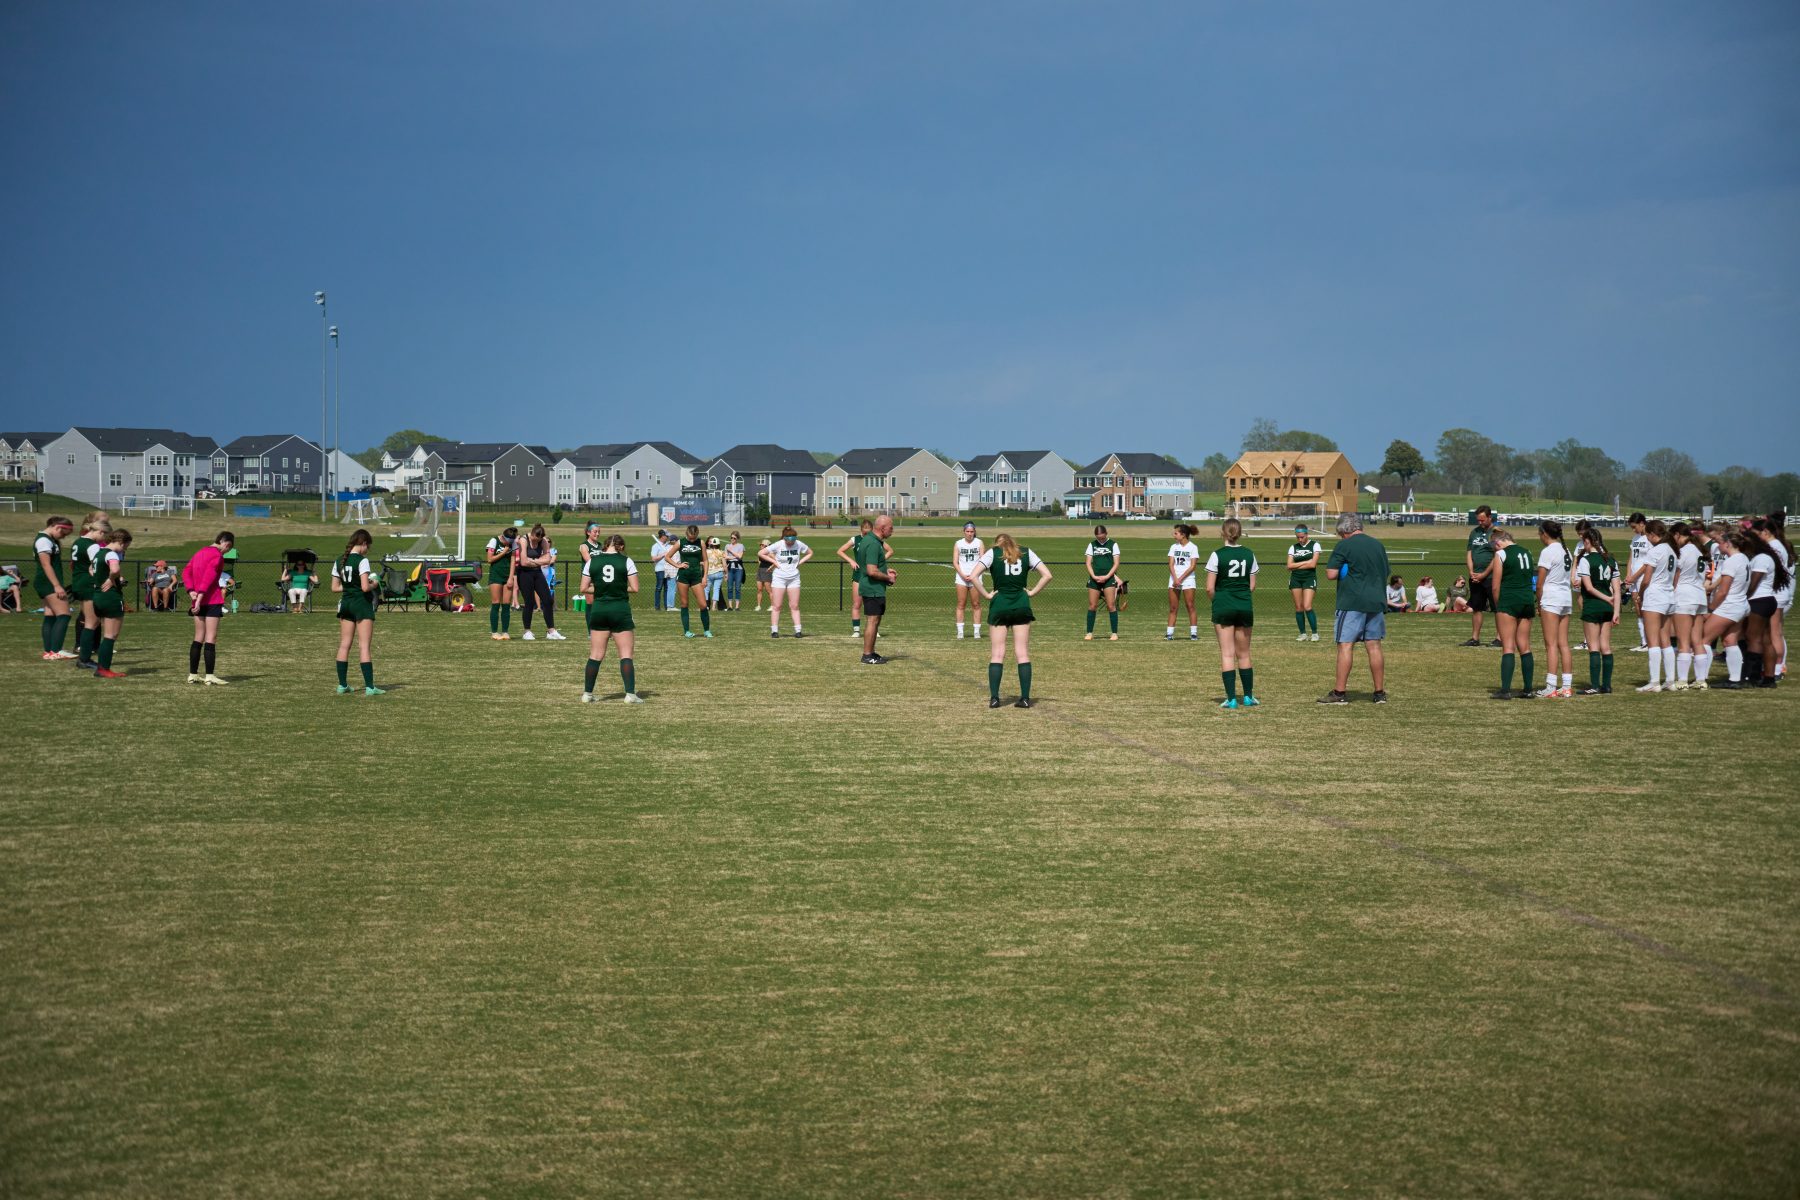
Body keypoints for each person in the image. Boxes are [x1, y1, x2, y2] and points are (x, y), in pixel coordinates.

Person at [1319, 513, 1390, 704]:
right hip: (1376, 601)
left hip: (1352, 602)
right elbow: (1386, 572)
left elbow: (1331, 574)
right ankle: (1379, 693)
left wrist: (1344, 570)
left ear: (1344, 530)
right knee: (1374, 646)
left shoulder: (1344, 545)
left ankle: (1339, 693)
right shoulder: (1378, 545)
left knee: (1345, 645)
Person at [976, 533, 1050, 708]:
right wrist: (1031, 592)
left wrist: (987, 594)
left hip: (999, 605)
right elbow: (1047, 575)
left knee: (997, 654)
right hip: (1021, 605)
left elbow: (972, 576)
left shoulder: (992, 553)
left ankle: (994, 698)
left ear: (997, 544)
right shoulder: (1026, 552)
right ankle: (1025, 698)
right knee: (1022, 653)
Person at [579, 533, 643, 703]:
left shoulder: (592, 561)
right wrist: (619, 589)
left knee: (595, 654)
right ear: (621, 546)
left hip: (599, 609)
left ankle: (587, 694)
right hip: (619, 609)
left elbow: (583, 588)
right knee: (626, 654)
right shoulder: (626, 561)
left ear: (605, 545)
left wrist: (600, 589)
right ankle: (630, 694)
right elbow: (635, 588)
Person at [1207, 518, 1259, 708]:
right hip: (1244, 606)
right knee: (1244, 654)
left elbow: (1209, 588)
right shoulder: (1249, 554)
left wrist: (1219, 600)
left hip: (1223, 606)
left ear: (1223, 533)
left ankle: (1230, 699)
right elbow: (1252, 586)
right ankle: (1248, 696)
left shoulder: (1216, 555)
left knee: (1227, 654)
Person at [329, 528, 384, 695]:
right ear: (364, 544)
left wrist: (350, 587)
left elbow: (335, 587)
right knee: (364, 646)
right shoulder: (362, 560)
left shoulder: (339, 560)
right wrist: (375, 582)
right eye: (368, 546)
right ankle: (369, 687)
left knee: (344, 645)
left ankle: (342, 685)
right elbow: (365, 587)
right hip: (361, 605)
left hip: (346, 604)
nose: (368, 550)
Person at [1487, 528, 1538, 700]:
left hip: (1509, 600)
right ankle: (1528, 689)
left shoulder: (1501, 554)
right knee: (1525, 645)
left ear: (1498, 542)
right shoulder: (1527, 552)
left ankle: (1505, 690)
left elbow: (1495, 586)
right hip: (1527, 600)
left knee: (1508, 646)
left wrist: (1498, 604)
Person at [1626, 519, 1676, 692]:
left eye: (1647, 535)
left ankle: (1654, 682)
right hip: (1669, 596)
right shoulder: (1672, 550)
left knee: (1653, 640)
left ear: (1653, 535)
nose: (1646, 538)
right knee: (1666, 641)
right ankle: (1670, 680)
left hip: (1655, 596)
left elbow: (1646, 579)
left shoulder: (1656, 551)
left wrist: (1640, 594)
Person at [182, 531, 234, 684]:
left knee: (198, 636)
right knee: (210, 637)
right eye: (228, 548)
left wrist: (191, 591)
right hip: (210, 599)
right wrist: (200, 596)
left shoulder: (198, 553)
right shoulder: (218, 556)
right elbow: (209, 577)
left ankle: (193, 674)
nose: (227, 551)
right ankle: (210, 676)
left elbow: (186, 571)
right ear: (226, 543)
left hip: (197, 599)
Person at [1574, 526, 1621, 694]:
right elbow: (1617, 590)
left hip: (1593, 605)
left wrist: (1606, 598)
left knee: (1593, 647)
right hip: (1607, 609)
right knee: (1606, 647)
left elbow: (1588, 587)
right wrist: (1616, 611)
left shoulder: (1586, 560)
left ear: (1588, 541)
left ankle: (1594, 686)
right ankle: (1606, 685)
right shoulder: (1611, 560)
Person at [1703, 532, 1752, 689]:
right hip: (1741, 605)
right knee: (1729, 641)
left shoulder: (1731, 562)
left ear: (1728, 544)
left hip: (1730, 606)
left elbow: (1723, 591)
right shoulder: (1744, 559)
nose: (1719, 546)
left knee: (1703, 639)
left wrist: (1711, 609)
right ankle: (1735, 680)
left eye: (1721, 543)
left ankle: (1701, 678)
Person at [1742, 527, 1788, 688]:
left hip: (1759, 600)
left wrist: (1743, 597)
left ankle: (1751, 676)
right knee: (1766, 640)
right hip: (1767, 599)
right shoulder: (1765, 557)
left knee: (1752, 637)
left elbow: (1753, 584)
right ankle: (1769, 677)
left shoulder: (1761, 559)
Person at [1534, 520, 1575, 698]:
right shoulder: (1567, 550)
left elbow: (1540, 583)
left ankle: (1551, 686)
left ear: (1545, 534)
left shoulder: (1547, 551)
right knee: (1563, 644)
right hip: (1565, 598)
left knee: (1550, 644)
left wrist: (1538, 602)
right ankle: (1566, 686)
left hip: (1551, 599)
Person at [1667, 522, 1709, 690]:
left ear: (1678, 534)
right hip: (1699, 596)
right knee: (1697, 641)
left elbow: (1675, 578)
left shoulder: (1681, 553)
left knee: (1683, 641)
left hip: (1684, 597)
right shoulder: (1699, 551)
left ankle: (1682, 680)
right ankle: (1701, 680)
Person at [1754, 513, 1792, 682]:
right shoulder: (1777, 544)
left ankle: (1776, 668)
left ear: (1766, 532)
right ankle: (1776, 667)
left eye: (1758, 534)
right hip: (1778, 592)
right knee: (1775, 632)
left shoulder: (1774, 547)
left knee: (1774, 633)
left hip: (1777, 593)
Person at [70, 512, 111, 670]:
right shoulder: (92, 545)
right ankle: (84, 658)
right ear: (100, 532)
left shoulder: (77, 542)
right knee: (92, 622)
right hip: (88, 584)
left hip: (79, 583)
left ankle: (84, 657)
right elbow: (96, 567)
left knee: (89, 621)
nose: (104, 541)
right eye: (104, 536)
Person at [32, 515, 76, 660]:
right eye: (63, 534)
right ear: (57, 527)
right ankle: (56, 650)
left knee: (50, 615)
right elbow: (46, 564)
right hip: (48, 582)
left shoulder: (48, 540)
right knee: (64, 615)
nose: (62, 537)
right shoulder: (44, 540)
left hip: (46, 582)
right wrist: (57, 585)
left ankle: (49, 651)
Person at [90, 529, 132, 679]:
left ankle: (102, 667)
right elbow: (115, 569)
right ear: (121, 542)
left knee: (106, 634)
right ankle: (103, 669)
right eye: (125, 546)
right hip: (110, 597)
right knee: (110, 635)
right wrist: (110, 579)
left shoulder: (99, 553)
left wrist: (104, 578)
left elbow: (91, 570)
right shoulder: (112, 553)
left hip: (98, 595)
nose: (125, 549)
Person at [856, 515, 898, 664]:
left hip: (873, 587)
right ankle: (867, 655)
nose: (892, 531)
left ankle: (871, 652)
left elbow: (873, 566)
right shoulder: (874, 544)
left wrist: (885, 571)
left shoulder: (870, 541)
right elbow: (872, 571)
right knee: (872, 621)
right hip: (872, 588)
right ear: (882, 528)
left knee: (875, 620)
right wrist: (889, 578)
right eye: (890, 528)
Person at [515, 523, 565, 641]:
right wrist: (539, 561)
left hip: (537, 573)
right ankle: (527, 631)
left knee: (548, 600)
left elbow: (548, 559)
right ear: (532, 534)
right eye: (535, 539)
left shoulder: (543, 541)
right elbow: (523, 562)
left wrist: (533, 561)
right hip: (524, 574)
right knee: (529, 602)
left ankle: (551, 631)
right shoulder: (523, 540)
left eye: (539, 540)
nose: (537, 542)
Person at [761, 526, 812, 637]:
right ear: (784, 538)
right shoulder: (778, 544)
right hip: (779, 578)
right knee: (777, 606)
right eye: (788, 541)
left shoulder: (798, 544)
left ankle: (798, 631)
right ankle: (774, 631)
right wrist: (775, 562)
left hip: (794, 578)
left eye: (793, 540)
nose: (791, 543)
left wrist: (800, 562)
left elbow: (810, 553)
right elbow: (761, 553)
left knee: (794, 605)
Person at [1462, 505, 1500, 647]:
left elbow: (1497, 556)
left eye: (1483, 520)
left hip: (1492, 577)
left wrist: (1484, 574)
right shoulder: (1474, 533)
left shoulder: (1497, 533)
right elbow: (1469, 552)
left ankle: (1499, 638)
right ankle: (1475, 638)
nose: (1480, 523)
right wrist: (1471, 571)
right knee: (1477, 608)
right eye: (1478, 520)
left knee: (1497, 608)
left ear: (1490, 517)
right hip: (1475, 576)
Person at [836, 518, 876, 639]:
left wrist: (880, 561)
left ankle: (874, 629)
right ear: (861, 530)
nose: (867, 534)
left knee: (871, 605)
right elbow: (840, 551)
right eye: (865, 532)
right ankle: (856, 630)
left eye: (869, 532)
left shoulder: (876, 540)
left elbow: (890, 551)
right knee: (857, 604)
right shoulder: (855, 539)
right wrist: (851, 561)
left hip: (872, 575)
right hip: (858, 575)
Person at [672, 524, 711, 639]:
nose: (692, 539)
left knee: (703, 605)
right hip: (683, 577)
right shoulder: (680, 542)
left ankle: (707, 630)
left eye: (694, 537)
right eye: (690, 537)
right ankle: (687, 631)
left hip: (696, 577)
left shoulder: (701, 543)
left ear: (697, 534)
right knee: (684, 604)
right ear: (686, 534)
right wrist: (678, 565)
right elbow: (667, 557)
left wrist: (705, 577)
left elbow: (705, 560)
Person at [1083, 523, 1121, 641]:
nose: (1100, 539)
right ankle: (1089, 633)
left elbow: (1116, 563)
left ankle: (1114, 633)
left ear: (1106, 534)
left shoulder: (1113, 544)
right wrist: (1094, 576)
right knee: (1092, 605)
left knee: (1111, 605)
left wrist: (1108, 576)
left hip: (1108, 578)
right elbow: (1088, 563)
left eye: (1102, 537)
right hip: (1094, 579)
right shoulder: (1092, 544)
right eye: (1098, 537)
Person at [950, 521, 986, 639]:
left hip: (976, 577)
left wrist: (974, 574)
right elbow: (955, 562)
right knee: (961, 604)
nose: (970, 533)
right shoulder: (958, 544)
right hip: (961, 577)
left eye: (972, 531)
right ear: (964, 531)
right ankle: (960, 631)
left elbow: (983, 560)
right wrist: (962, 574)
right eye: (967, 531)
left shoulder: (979, 543)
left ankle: (977, 632)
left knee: (976, 604)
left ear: (974, 532)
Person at [1287, 524, 1323, 641]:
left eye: (1302, 537)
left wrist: (1296, 565)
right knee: (1298, 607)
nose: (1300, 539)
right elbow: (1289, 566)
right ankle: (1302, 633)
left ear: (1307, 534)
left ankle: (1314, 633)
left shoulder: (1315, 545)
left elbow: (1313, 564)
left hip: (1309, 578)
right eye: (1298, 537)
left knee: (1307, 606)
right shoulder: (1293, 547)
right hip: (1295, 579)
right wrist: (1306, 562)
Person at [1166, 522, 1201, 641]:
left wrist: (1180, 579)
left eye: (1176, 533)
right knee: (1173, 607)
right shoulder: (1173, 547)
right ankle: (1169, 634)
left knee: (1190, 606)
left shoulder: (1193, 547)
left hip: (1188, 579)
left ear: (1183, 535)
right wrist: (1175, 579)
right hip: (1174, 579)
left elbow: (1192, 566)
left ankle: (1193, 633)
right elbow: (1171, 564)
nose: (1174, 535)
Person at [485, 526, 518, 640]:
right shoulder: (494, 541)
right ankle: (494, 632)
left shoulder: (513, 544)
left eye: (511, 541)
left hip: (507, 576)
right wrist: (503, 552)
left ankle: (505, 631)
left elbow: (513, 560)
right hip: (496, 575)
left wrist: (511, 578)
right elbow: (489, 559)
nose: (508, 543)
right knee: (496, 603)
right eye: (507, 540)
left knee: (506, 604)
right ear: (503, 537)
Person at [1625, 512, 1651, 651]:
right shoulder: (1635, 538)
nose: (1634, 530)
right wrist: (1629, 575)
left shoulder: (1650, 539)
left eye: (1635, 527)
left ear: (1642, 523)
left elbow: (1648, 562)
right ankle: (1644, 642)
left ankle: (1650, 641)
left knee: (1645, 608)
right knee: (1637, 608)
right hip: (1634, 578)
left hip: (1642, 578)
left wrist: (1635, 576)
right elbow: (1631, 558)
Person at [648, 530, 671, 612]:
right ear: (662, 536)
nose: (668, 537)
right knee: (659, 588)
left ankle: (667, 606)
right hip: (660, 570)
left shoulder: (668, 546)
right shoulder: (655, 546)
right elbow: (654, 558)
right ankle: (657, 607)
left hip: (668, 570)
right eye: (666, 536)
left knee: (667, 589)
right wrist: (663, 555)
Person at [724, 531, 746, 611]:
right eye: (731, 537)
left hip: (738, 569)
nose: (732, 539)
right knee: (729, 587)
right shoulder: (727, 546)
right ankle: (730, 606)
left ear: (737, 539)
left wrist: (731, 552)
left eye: (734, 538)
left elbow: (740, 557)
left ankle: (737, 607)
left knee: (737, 587)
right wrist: (734, 557)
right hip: (729, 568)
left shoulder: (741, 546)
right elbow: (725, 557)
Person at [705, 536, 727, 612]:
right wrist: (726, 573)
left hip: (709, 572)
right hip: (719, 572)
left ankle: (705, 605)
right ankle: (714, 606)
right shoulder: (721, 552)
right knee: (716, 589)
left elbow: (704, 562)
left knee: (706, 589)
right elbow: (724, 564)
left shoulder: (706, 552)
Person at [753, 538, 774, 611]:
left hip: (767, 571)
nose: (760, 546)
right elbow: (759, 559)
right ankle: (758, 606)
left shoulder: (770, 553)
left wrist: (771, 567)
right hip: (760, 570)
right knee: (759, 589)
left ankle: (772, 606)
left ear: (766, 546)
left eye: (762, 545)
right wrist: (759, 563)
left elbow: (776, 561)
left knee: (769, 590)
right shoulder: (760, 552)